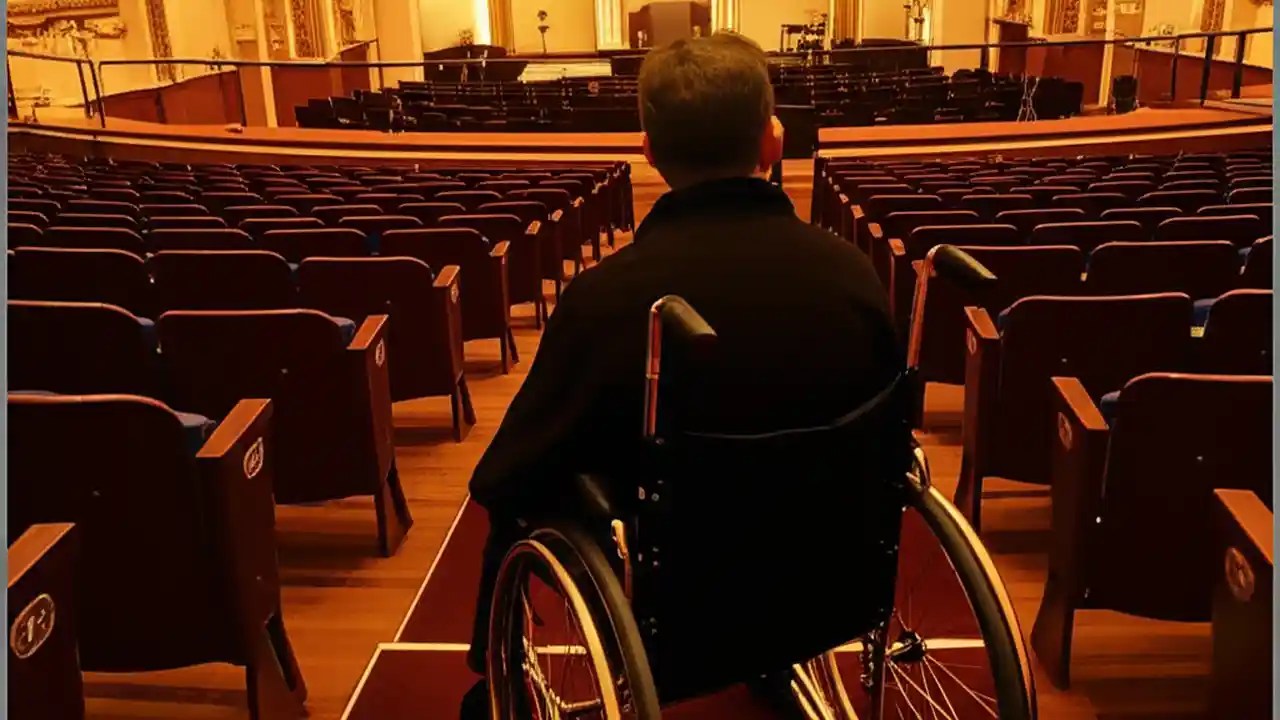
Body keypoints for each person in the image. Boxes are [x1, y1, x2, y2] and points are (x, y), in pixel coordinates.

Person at [461, 31, 899, 715]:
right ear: (772, 142)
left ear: (649, 150)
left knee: (520, 491)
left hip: (685, 590)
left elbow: (511, 469)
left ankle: (491, 682)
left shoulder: (607, 297)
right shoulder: (852, 270)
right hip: (835, 576)